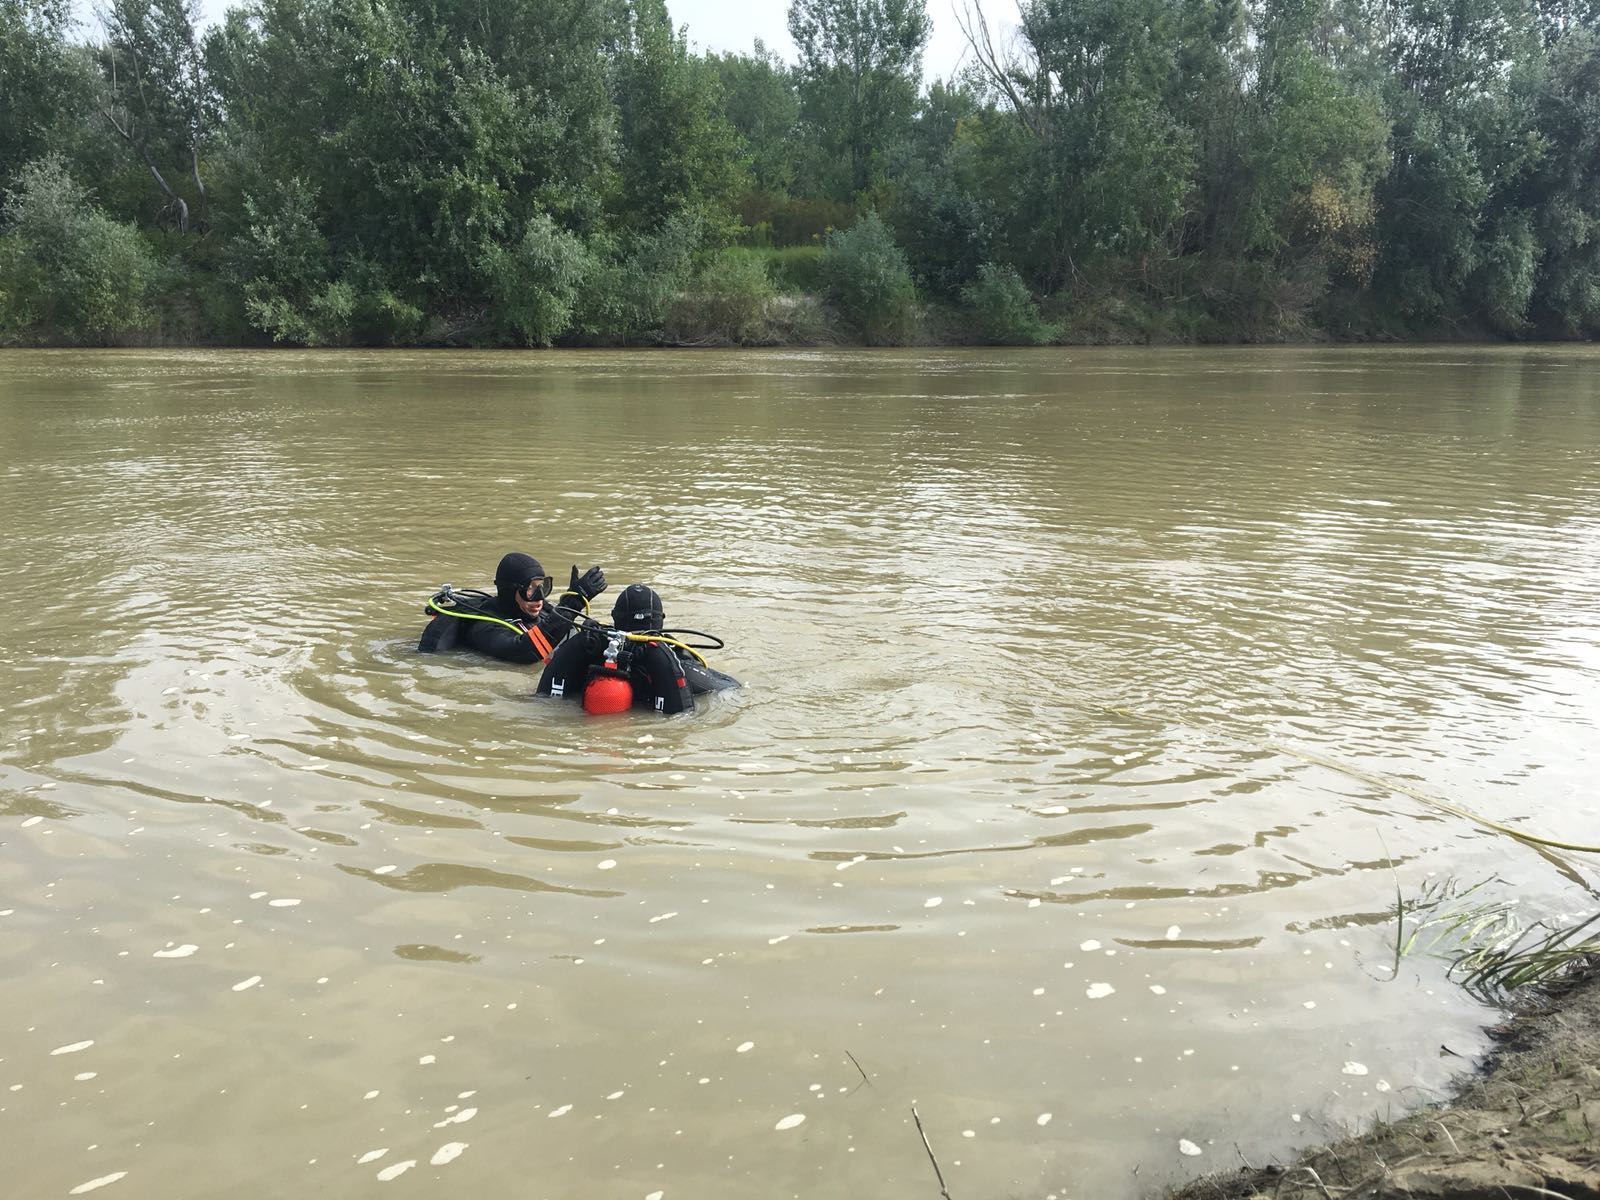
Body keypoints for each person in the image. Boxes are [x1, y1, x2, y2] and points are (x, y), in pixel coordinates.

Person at [536, 583, 739, 714]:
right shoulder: (675, 663)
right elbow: (730, 685)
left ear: (615, 617)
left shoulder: (589, 647)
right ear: (661, 621)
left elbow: (542, 700)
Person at [418, 553, 606, 664]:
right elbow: (525, 652)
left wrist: (572, 598)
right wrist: (573, 604)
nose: (539, 598)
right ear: (510, 591)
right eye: (531, 589)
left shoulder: (538, 609)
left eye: (543, 587)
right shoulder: (484, 626)